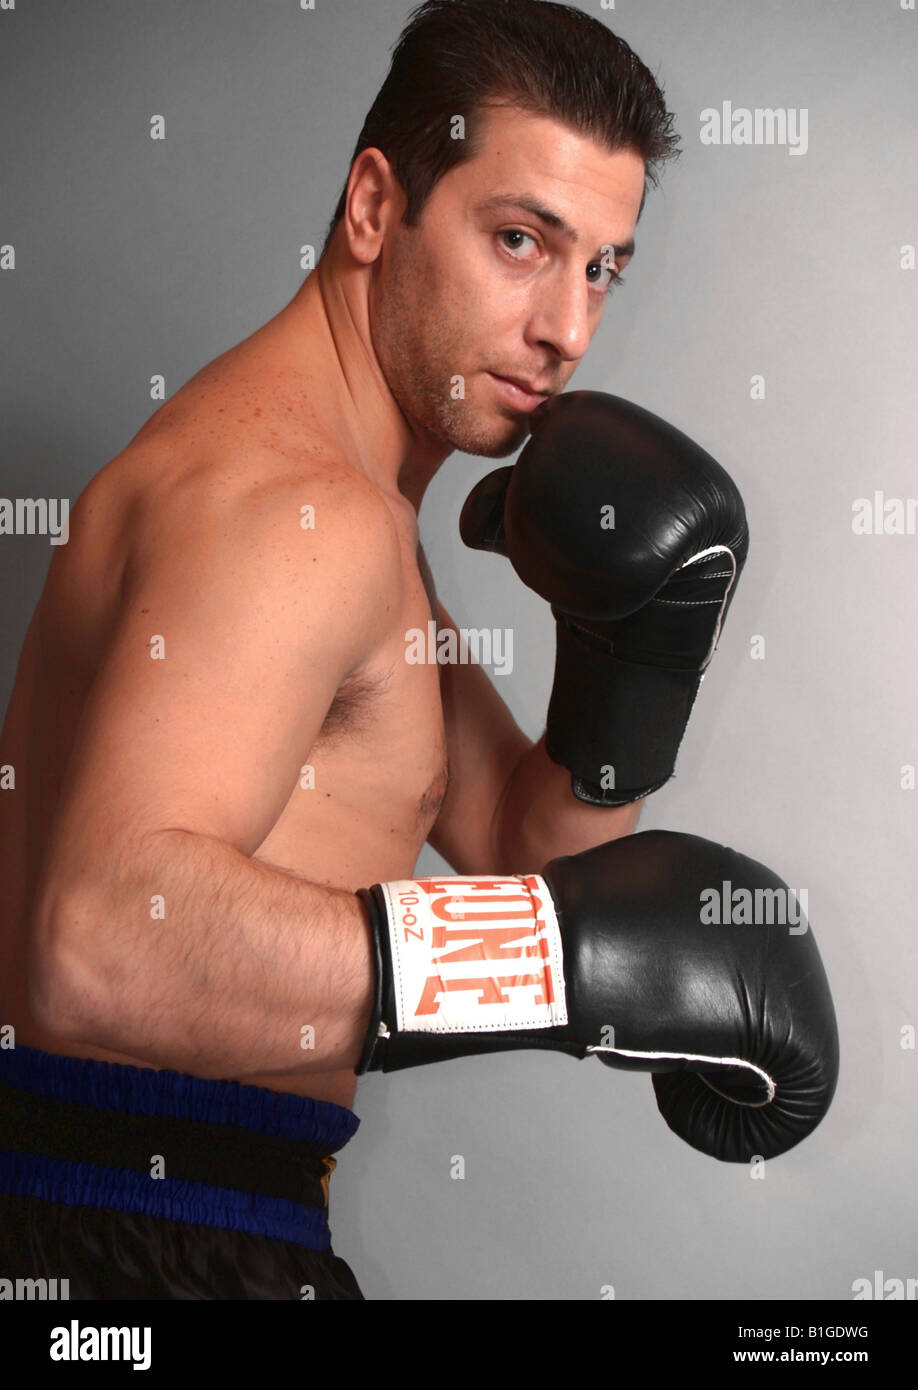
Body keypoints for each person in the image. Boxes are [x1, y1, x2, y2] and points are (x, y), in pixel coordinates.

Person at [0, 0, 837, 1301]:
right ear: (376, 207)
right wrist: (554, 964)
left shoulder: (341, 501)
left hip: (166, 1218)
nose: (566, 325)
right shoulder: (296, 512)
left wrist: (630, 675)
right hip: (140, 1237)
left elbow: (522, 842)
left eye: (601, 267)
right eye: (521, 241)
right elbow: (98, 943)